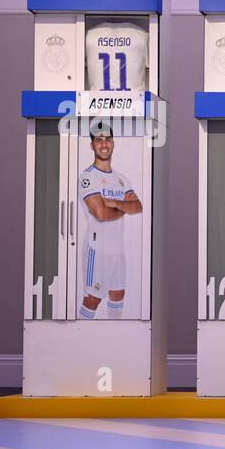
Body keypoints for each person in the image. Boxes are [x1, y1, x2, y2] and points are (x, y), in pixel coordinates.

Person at [78, 125, 142, 319]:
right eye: (99, 140)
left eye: (107, 139)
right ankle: (81, 339)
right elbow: (101, 214)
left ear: (113, 143)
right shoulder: (88, 177)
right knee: (93, 299)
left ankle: (114, 341)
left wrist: (113, 202)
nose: (104, 144)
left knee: (118, 296)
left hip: (118, 251)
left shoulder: (121, 179)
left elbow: (138, 207)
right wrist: (124, 207)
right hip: (97, 251)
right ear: (92, 145)